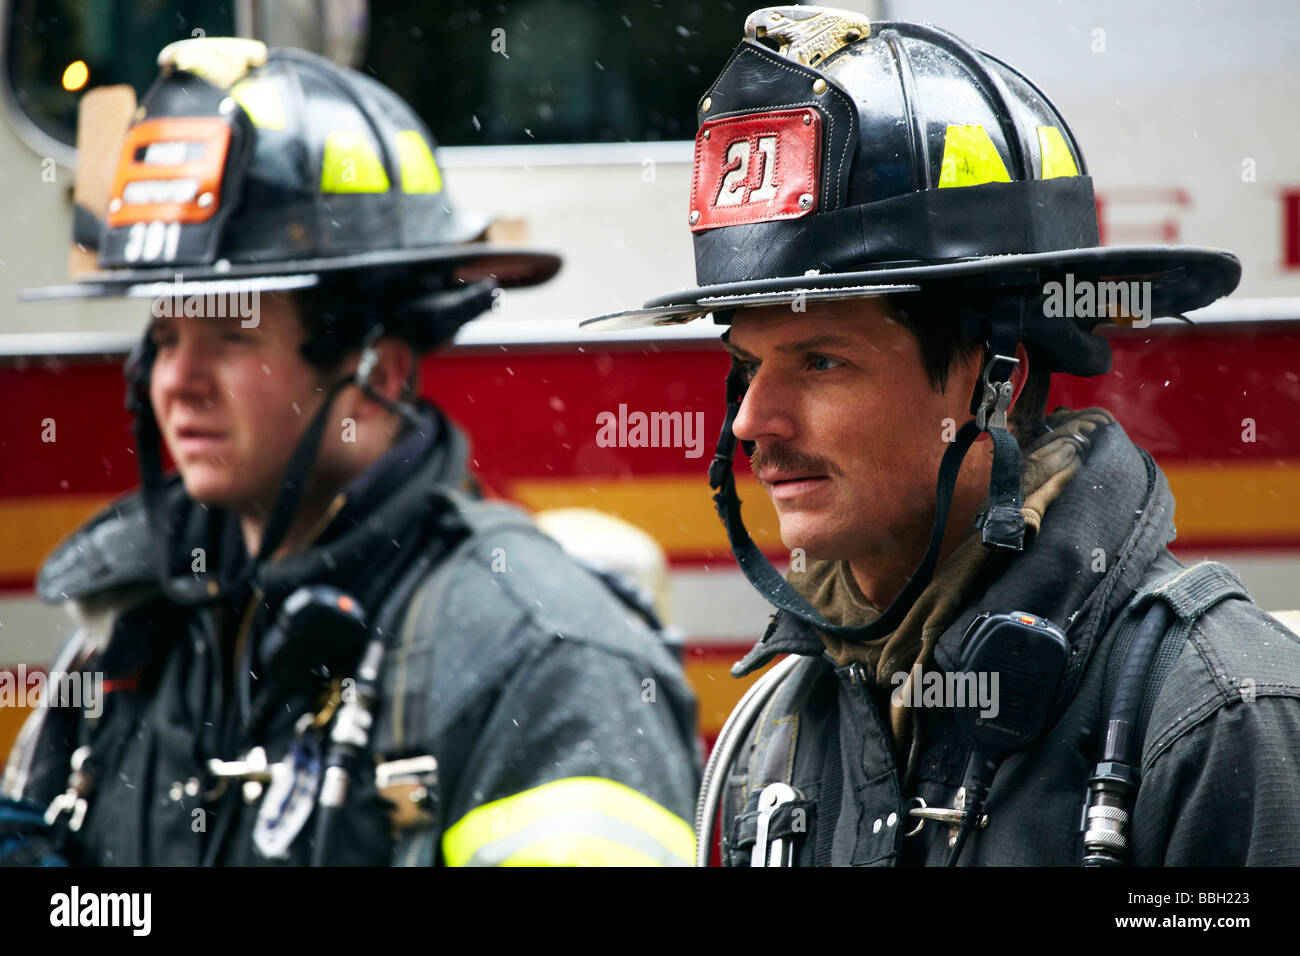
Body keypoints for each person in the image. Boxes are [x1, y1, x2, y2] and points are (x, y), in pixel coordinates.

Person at [585, 7, 1300, 866]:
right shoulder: (779, 727)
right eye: (746, 365)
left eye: (819, 362)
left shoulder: (1215, 715)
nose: (750, 422)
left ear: (997, 383)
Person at [2, 37, 699, 866]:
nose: (176, 382)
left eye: (233, 334)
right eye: (164, 335)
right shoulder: (127, 636)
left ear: (381, 372)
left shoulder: (546, 664)